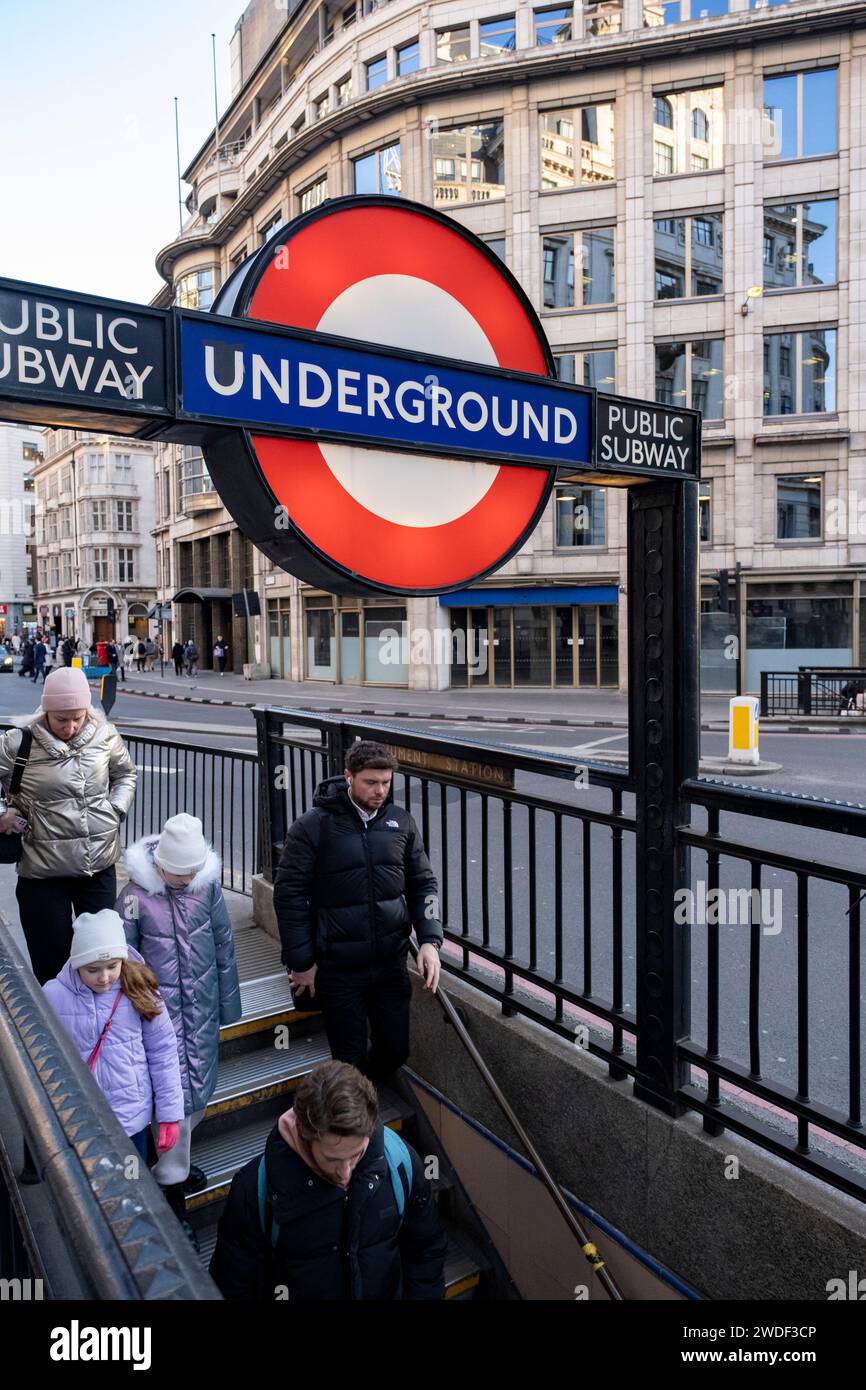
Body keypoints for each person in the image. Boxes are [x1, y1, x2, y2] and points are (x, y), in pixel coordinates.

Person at [273, 741, 443, 1083]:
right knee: (348, 1060)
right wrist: (301, 962)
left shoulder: (401, 822)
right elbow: (289, 895)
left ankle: (355, 1100)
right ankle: (354, 1121)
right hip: (338, 969)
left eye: (386, 782)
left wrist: (429, 940)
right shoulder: (313, 826)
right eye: (371, 782)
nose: (380, 791)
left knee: (396, 1050)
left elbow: (423, 884)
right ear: (349, 777)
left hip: (390, 964)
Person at [209, 1059, 447, 1301]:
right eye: (332, 1159)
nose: (345, 1173)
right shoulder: (255, 1189)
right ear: (304, 1135)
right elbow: (233, 1284)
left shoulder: (399, 1161)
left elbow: (426, 1249)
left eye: (356, 1155)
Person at [117, 813, 242, 1225]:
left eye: (192, 872)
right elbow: (123, 962)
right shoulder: (135, 896)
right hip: (158, 1019)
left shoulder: (206, 889)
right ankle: (171, 1185)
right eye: (178, 873)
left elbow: (223, 945)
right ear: (160, 865)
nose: (186, 880)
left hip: (201, 1008)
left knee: (197, 1092)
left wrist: (229, 1007)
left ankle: (170, 1165)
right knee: (171, 1099)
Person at [0, 665, 137, 984]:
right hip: (42, 874)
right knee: (52, 966)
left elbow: (126, 773)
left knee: (103, 959)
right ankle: (56, 1031)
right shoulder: (18, 742)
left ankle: (99, 1029)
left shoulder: (104, 734)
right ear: (46, 710)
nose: (71, 726)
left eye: (78, 717)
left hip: (97, 869)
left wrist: (114, 810)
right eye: (62, 719)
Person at [42, 910, 183, 1166]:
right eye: (92, 969)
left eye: (112, 966)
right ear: (76, 964)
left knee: (134, 1185)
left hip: (132, 1118)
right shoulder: (53, 995)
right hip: (80, 1119)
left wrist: (170, 1114)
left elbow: (163, 1053)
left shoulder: (140, 991)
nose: (104, 977)